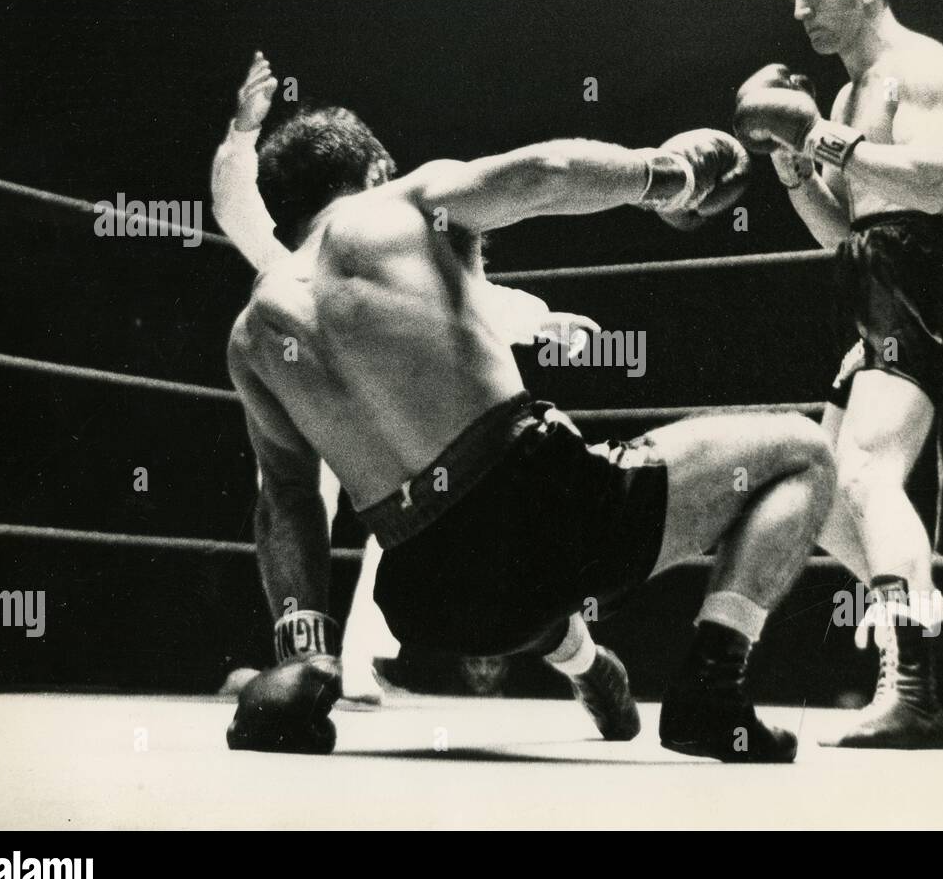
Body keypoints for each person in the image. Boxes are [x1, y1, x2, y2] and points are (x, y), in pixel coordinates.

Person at [220, 79, 837, 761]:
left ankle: (589, 662)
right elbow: (547, 173)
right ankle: (711, 688)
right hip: (542, 517)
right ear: (372, 172)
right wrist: (669, 175)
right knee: (804, 451)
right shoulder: (398, 205)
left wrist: (301, 653)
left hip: (428, 597)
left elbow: (286, 503)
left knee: (500, 553)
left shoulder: (251, 338)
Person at [211, 54, 600, 707]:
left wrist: (548, 322)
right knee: (293, 490)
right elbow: (235, 206)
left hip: (404, 448)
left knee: (406, 509)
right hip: (318, 416)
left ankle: (357, 666)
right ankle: (302, 657)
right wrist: (242, 134)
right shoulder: (289, 273)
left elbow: (482, 306)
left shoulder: (415, 276)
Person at [732, 0, 943, 749]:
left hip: (919, 285)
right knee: (820, 495)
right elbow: (839, 225)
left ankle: (914, 689)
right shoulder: (851, 96)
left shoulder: (926, 68)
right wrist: (790, 162)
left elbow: (933, 177)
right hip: (871, 291)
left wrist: (817, 134)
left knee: (865, 475)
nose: (800, 12)